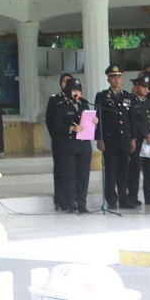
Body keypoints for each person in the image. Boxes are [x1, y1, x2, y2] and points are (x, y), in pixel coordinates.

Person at [47, 77, 95, 214]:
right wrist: (71, 128)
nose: (76, 93)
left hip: (84, 146)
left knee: (83, 176)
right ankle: (70, 203)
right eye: (74, 90)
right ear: (68, 90)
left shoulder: (84, 104)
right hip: (68, 146)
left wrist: (94, 121)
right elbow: (56, 126)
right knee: (70, 176)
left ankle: (82, 203)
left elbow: (87, 123)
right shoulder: (60, 105)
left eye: (78, 90)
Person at [95, 65, 137, 209]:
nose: (116, 80)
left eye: (119, 76)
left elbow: (131, 119)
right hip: (109, 140)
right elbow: (98, 118)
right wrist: (99, 138)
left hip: (124, 139)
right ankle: (111, 200)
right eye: (113, 77)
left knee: (123, 171)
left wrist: (133, 138)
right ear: (108, 79)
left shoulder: (127, 96)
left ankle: (123, 199)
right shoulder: (102, 96)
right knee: (111, 171)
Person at [127, 75, 150, 206]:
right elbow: (133, 121)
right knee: (135, 169)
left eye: (147, 87)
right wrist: (145, 134)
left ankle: (149, 195)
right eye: (143, 86)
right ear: (136, 87)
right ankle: (132, 196)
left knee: (149, 169)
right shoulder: (131, 102)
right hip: (139, 140)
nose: (145, 89)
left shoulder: (149, 102)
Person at [46, 73, 75, 211]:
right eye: (64, 81)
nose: (67, 84)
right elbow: (50, 120)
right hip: (59, 140)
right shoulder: (55, 100)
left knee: (70, 171)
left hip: (73, 143)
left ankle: (70, 198)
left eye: (69, 81)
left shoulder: (77, 99)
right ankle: (60, 199)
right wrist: (56, 136)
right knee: (59, 170)